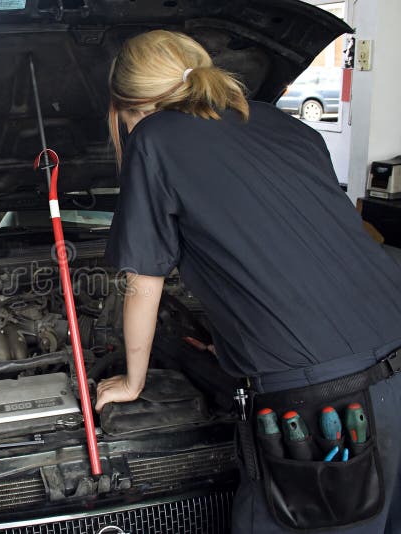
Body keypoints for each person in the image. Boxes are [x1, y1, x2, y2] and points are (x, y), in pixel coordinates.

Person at [94, 30, 401, 533]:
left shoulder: (154, 136)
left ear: (128, 108)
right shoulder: (279, 121)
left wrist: (132, 382)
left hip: (320, 398)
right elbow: (295, 241)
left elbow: (145, 282)